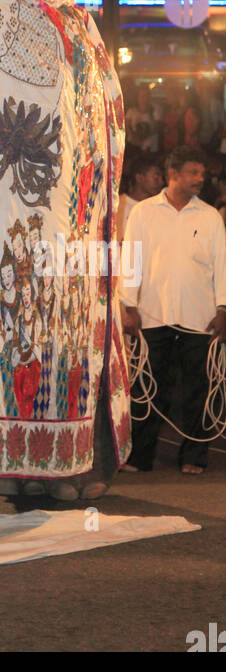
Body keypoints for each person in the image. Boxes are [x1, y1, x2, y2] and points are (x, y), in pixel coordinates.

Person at [121, 144, 226, 474]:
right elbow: (131, 261)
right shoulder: (143, 212)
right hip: (153, 314)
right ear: (173, 174)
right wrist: (128, 304)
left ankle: (194, 457)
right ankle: (140, 456)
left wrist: (223, 309)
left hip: (200, 317)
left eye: (202, 173)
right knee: (149, 389)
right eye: (193, 172)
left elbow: (222, 266)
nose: (200, 178)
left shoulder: (209, 216)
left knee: (199, 389)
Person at [116, 153, 163, 242]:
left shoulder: (159, 208)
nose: (160, 182)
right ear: (139, 178)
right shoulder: (118, 204)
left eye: (161, 177)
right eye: (156, 176)